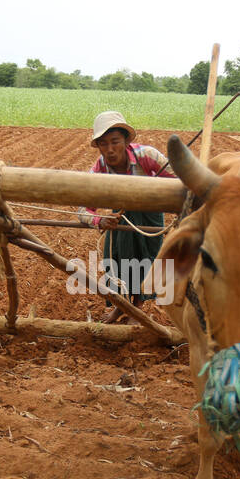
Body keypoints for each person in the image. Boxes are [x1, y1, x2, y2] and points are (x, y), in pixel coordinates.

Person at [79, 111, 174, 324]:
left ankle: (137, 308)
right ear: (98, 146)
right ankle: (120, 306)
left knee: (144, 260)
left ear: (125, 141)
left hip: (148, 219)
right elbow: (83, 210)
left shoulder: (147, 156)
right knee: (115, 260)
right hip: (119, 218)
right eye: (104, 144)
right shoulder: (99, 168)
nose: (110, 149)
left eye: (115, 142)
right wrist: (100, 221)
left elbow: (178, 181)